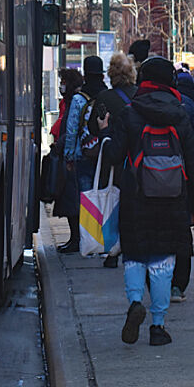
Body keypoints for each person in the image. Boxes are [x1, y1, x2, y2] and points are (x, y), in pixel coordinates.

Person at [98, 56, 194, 346]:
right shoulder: (180, 114)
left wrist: (106, 130)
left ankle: (135, 302)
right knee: (163, 262)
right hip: (173, 201)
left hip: (136, 199)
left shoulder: (130, 114)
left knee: (135, 257)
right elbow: (192, 164)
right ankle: (158, 326)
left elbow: (113, 157)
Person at [89, 52, 137, 268]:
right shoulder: (139, 95)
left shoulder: (105, 98)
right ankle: (127, 244)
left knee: (112, 201)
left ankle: (112, 246)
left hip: (113, 158)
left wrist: (104, 130)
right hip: (136, 159)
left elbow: (92, 126)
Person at [64, 56, 108, 249]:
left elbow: (72, 128)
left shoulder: (78, 98)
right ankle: (105, 237)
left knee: (87, 196)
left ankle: (90, 241)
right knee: (105, 195)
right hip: (106, 154)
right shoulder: (109, 95)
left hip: (84, 154)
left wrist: (69, 155)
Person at [172, 68, 194, 301]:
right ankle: (178, 285)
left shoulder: (136, 106)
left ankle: (150, 289)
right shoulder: (185, 105)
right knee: (181, 233)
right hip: (180, 178)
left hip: (144, 184)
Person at [52, 67, 84, 252]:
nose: (61, 86)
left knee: (72, 200)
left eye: (63, 82)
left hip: (72, 155)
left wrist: (66, 151)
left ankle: (76, 239)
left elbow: (71, 129)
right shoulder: (69, 101)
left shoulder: (74, 102)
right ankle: (75, 238)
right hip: (71, 153)